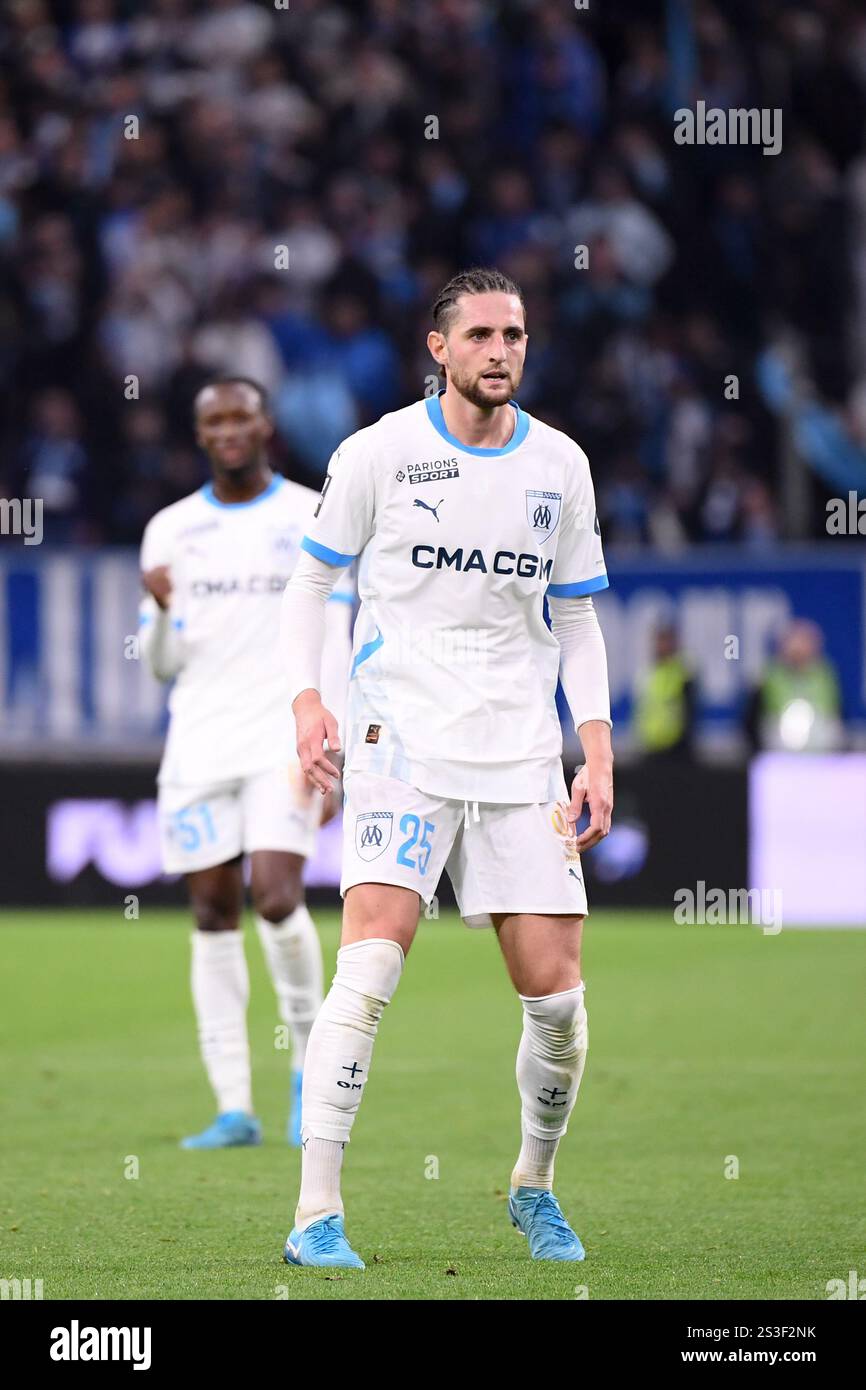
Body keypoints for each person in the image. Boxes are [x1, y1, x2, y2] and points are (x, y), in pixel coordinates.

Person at [279, 267, 613, 1268]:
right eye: (479, 335)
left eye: (513, 334)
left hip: (520, 756)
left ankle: (533, 1184)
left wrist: (592, 750)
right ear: (438, 349)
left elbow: (578, 612)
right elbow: (311, 583)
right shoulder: (378, 452)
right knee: (370, 961)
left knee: (555, 1002)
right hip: (400, 744)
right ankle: (314, 1214)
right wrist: (308, 702)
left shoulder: (559, 464)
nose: (500, 351)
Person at [139, 377, 353, 1148]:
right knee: (210, 912)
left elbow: (339, 632)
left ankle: (305, 1069)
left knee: (273, 895)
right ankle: (235, 1106)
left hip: (280, 740)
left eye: (241, 415)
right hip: (198, 745)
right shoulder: (171, 529)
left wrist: (333, 736)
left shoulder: (308, 514)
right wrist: (159, 612)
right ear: (200, 434)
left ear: (267, 423)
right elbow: (161, 665)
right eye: (214, 420)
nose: (229, 429)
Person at [744, 618, 843, 752]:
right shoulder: (768, 676)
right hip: (778, 753)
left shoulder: (825, 675)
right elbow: (752, 722)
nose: (799, 649)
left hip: (820, 755)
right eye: (794, 644)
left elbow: (835, 717)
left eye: (805, 643)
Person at [632, 622, 696, 759]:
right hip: (650, 747)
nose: (663, 645)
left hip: (677, 750)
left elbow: (690, 711)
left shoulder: (684, 672)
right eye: (660, 640)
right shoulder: (648, 672)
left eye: (666, 640)